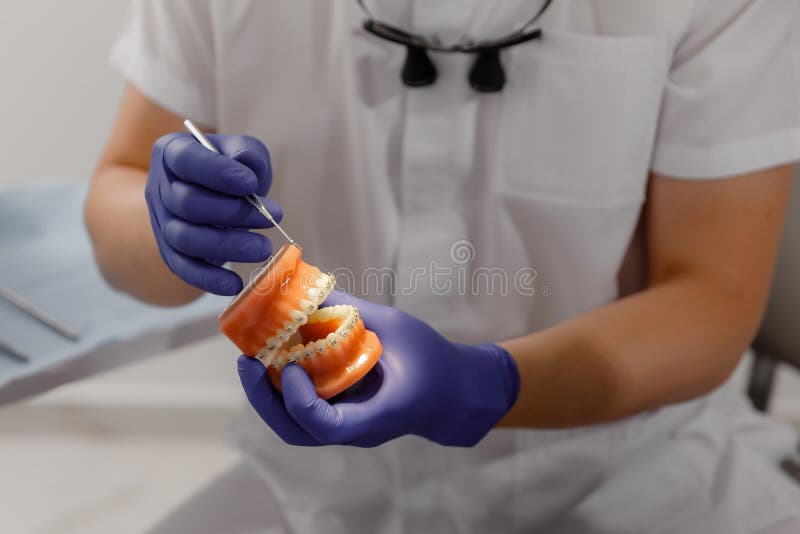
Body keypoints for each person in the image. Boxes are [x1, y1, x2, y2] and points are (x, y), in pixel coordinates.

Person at [84, 1, 800, 532]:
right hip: (315, 494)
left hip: (626, 484)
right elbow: (119, 188)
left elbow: (711, 297)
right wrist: (171, 226)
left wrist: (486, 384)